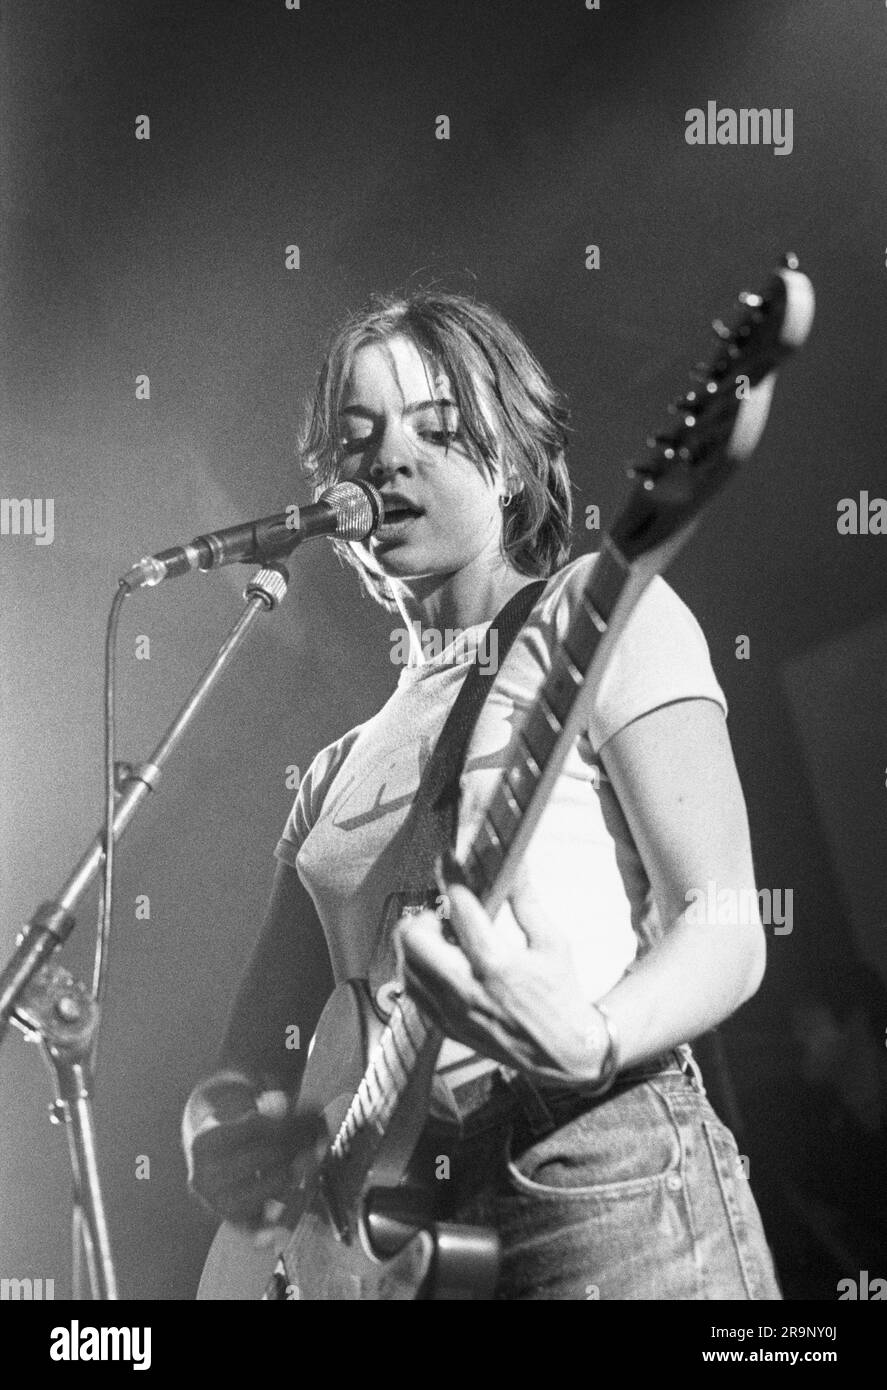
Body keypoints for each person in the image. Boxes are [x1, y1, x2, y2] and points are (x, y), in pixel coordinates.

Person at [182, 289, 782, 1300]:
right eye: (358, 437)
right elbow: (247, 1060)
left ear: (507, 458)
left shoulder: (597, 615)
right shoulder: (331, 770)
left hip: (591, 1156)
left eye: (436, 426)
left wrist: (594, 1036)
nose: (389, 458)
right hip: (375, 1236)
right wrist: (217, 1129)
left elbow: (723, 924)